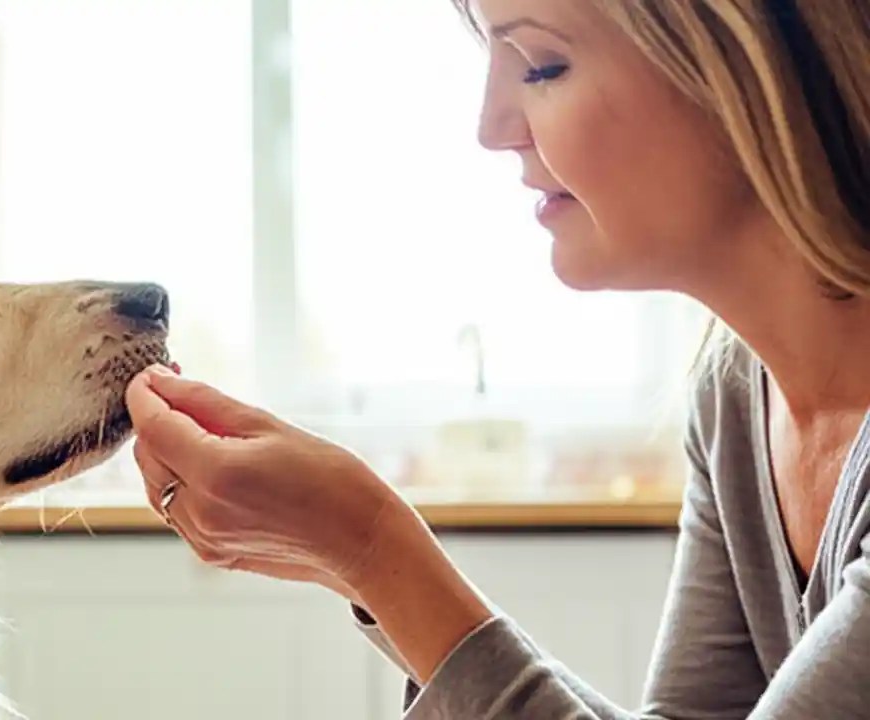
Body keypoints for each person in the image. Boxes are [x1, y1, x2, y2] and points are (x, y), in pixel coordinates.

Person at [123, 0, 870, 717]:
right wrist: (355, 559)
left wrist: (375, 549)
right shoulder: (736, 399)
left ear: (747, 65)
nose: (492, 127)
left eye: (542, 65)